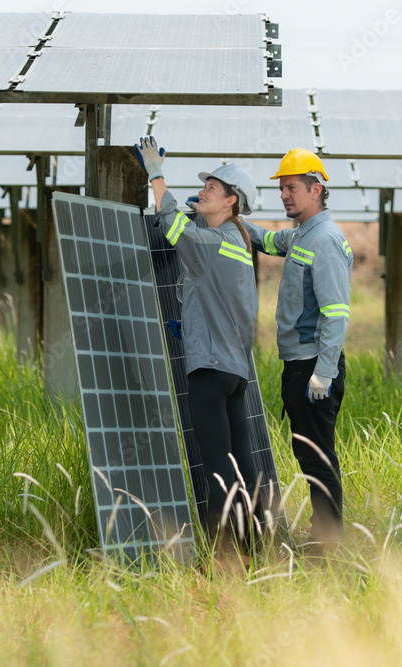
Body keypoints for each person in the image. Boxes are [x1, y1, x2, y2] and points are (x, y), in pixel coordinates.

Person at [133, 135, 262, 554]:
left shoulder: (212, 243)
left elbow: (174, 228)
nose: (203, 191)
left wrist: (156, 175)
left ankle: (220, 557)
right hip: (235, 373)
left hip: (209, 371)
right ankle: (256, 550)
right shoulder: (237, 244)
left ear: (231, 202)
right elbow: (221, 304)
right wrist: (187, 327)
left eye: (211, 188)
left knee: (217, 470)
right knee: (244, 467)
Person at [240, 148, 353, 551]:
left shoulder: (325, 240)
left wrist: (324, 372)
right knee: (309, 454)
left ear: (315, 189)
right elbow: (270, 241)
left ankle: (329, 544)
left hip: (313, 368)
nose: (284, 195)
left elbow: (336, 314)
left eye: (291, 188)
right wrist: (232, 218)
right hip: (299, 364)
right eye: (282, 188)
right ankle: (324, 536)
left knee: (318, 458)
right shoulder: (303, 234)